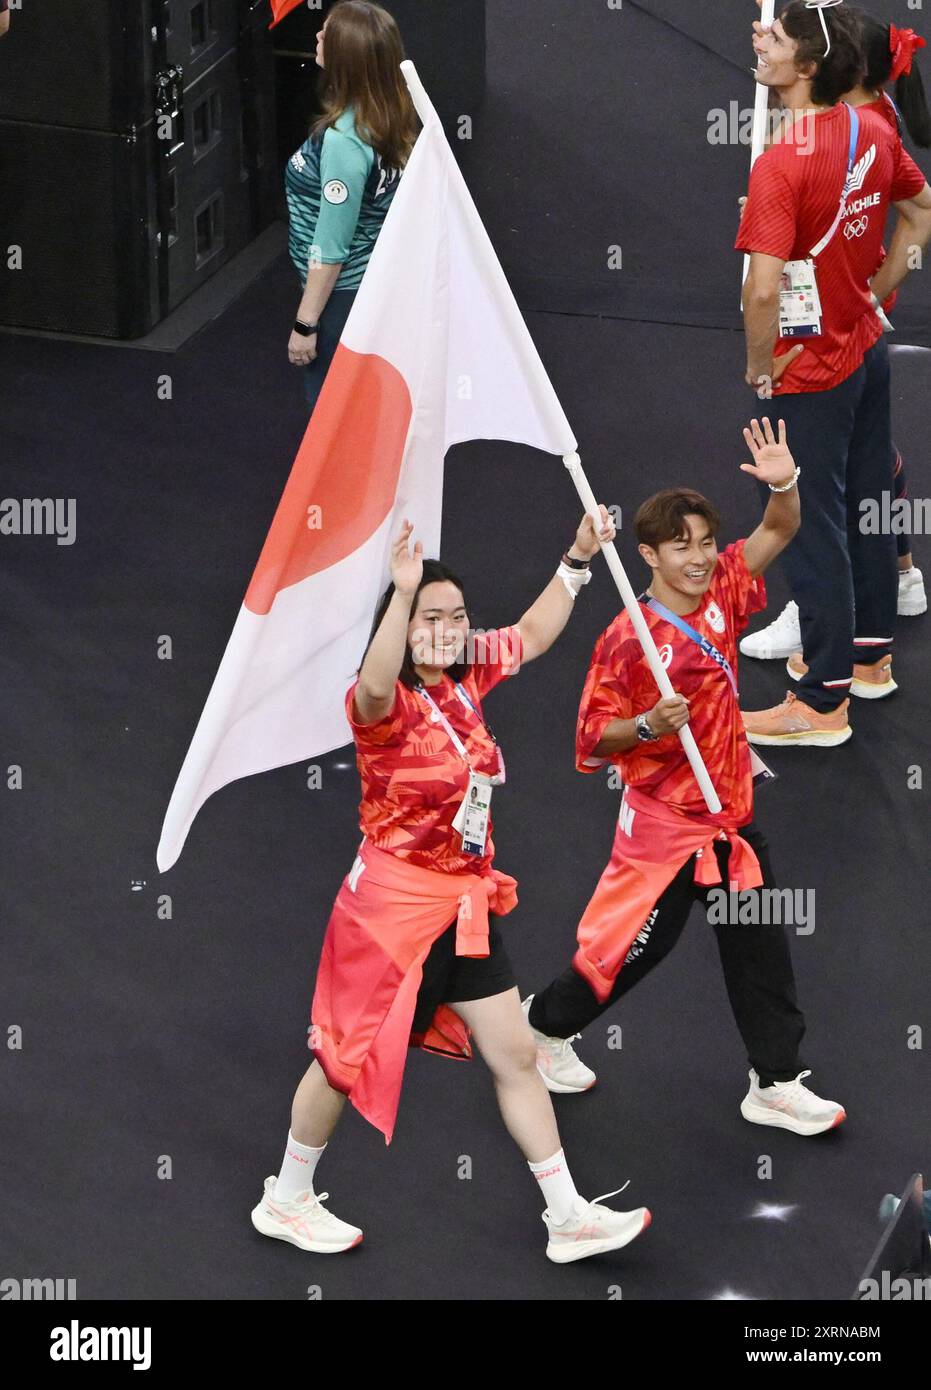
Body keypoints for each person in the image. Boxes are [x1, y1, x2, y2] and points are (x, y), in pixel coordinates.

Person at [251, 508, 656, 1264]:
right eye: (429, 617)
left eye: (456, 615)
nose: (447, 628)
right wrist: (404, 592)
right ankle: (286, 1198)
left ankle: (565, 1215)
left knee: (514, 1054)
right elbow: (373, 685)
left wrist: (576, 556)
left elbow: (533, 633)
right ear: (402, 626)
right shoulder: (381, 707)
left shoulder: (465, 676)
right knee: (341, 1062)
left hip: (463, 904)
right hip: (390, 912)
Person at [523, 419, 847, 1137]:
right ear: (647, 555)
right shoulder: (625, 641)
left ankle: (774, 1081)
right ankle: (542, 1027)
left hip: (728, 812)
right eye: (681, 547)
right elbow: (589, 738)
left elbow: (778, 529)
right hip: (667, 830)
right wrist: (647, 728)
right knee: (629, 953)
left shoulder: (725, 587)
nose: (699, 558)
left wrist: (783, 481)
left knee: (760, 948)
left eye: (704, 542)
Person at [735, 2, 931, 747]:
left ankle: (820, 703)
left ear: (807, 67)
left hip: (807, 368)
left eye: (776, 40)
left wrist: (760, 366)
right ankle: (870, 660)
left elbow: (762, 289)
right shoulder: (873, 126)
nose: (762, 47)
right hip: (862, 349)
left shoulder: (780, 164)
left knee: (808, 528)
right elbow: (917, 211)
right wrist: (872, 296)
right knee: (869, 500)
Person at [284, 1, 417, 410]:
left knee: (332, 417)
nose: (319, 37)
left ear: (347, 59)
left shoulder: (344, 141)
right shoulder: (390, 109)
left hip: (342, 297)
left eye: (328, 34)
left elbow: (332, 247)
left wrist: (305, 325)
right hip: (376, 286)